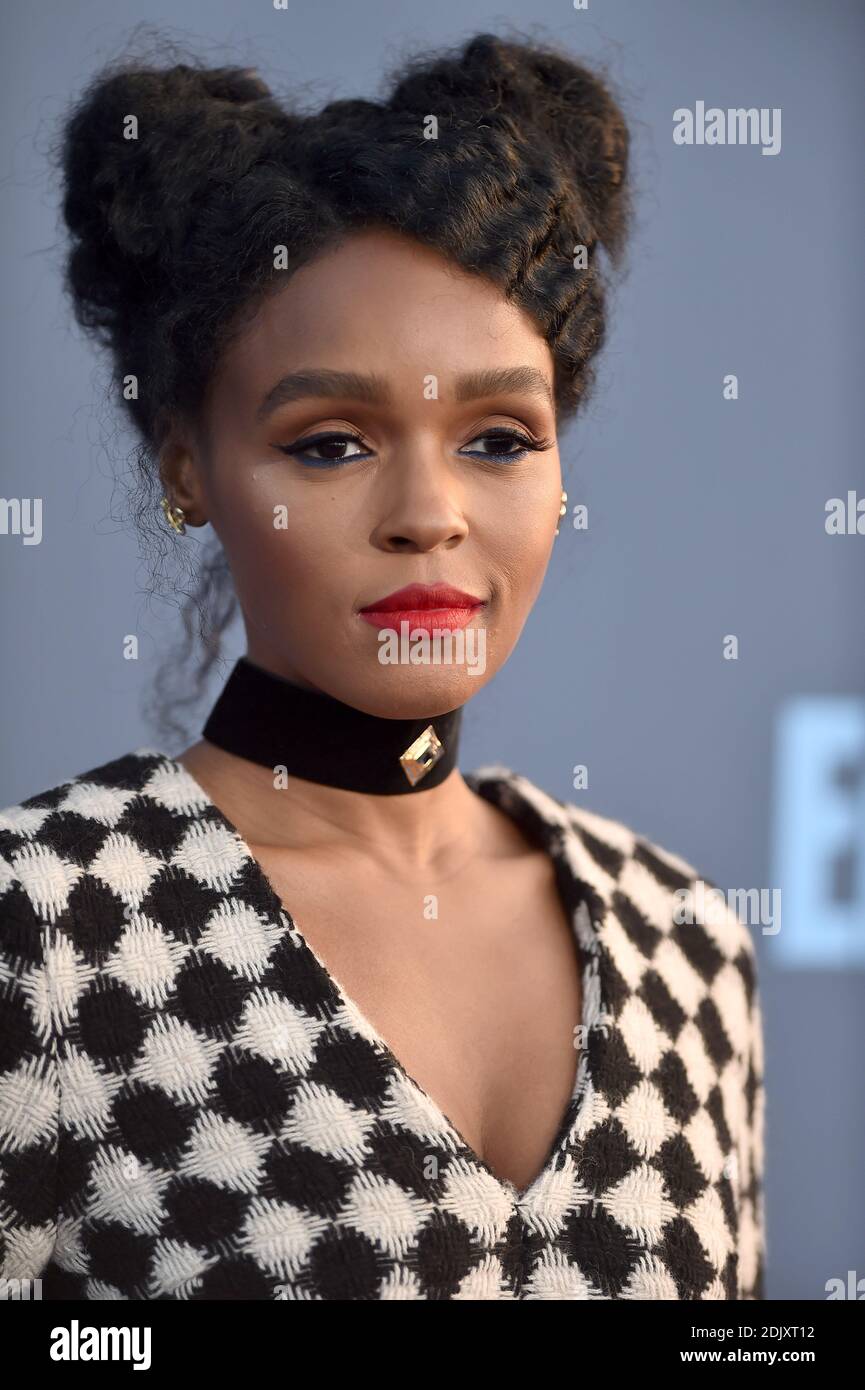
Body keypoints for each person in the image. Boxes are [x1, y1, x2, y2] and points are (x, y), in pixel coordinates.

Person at [0, 31, 765, 1300]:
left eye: (500, 436)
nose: (428, 511)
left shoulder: (685, 940)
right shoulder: (49, 928)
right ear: (186, 463)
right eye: (331, 442)